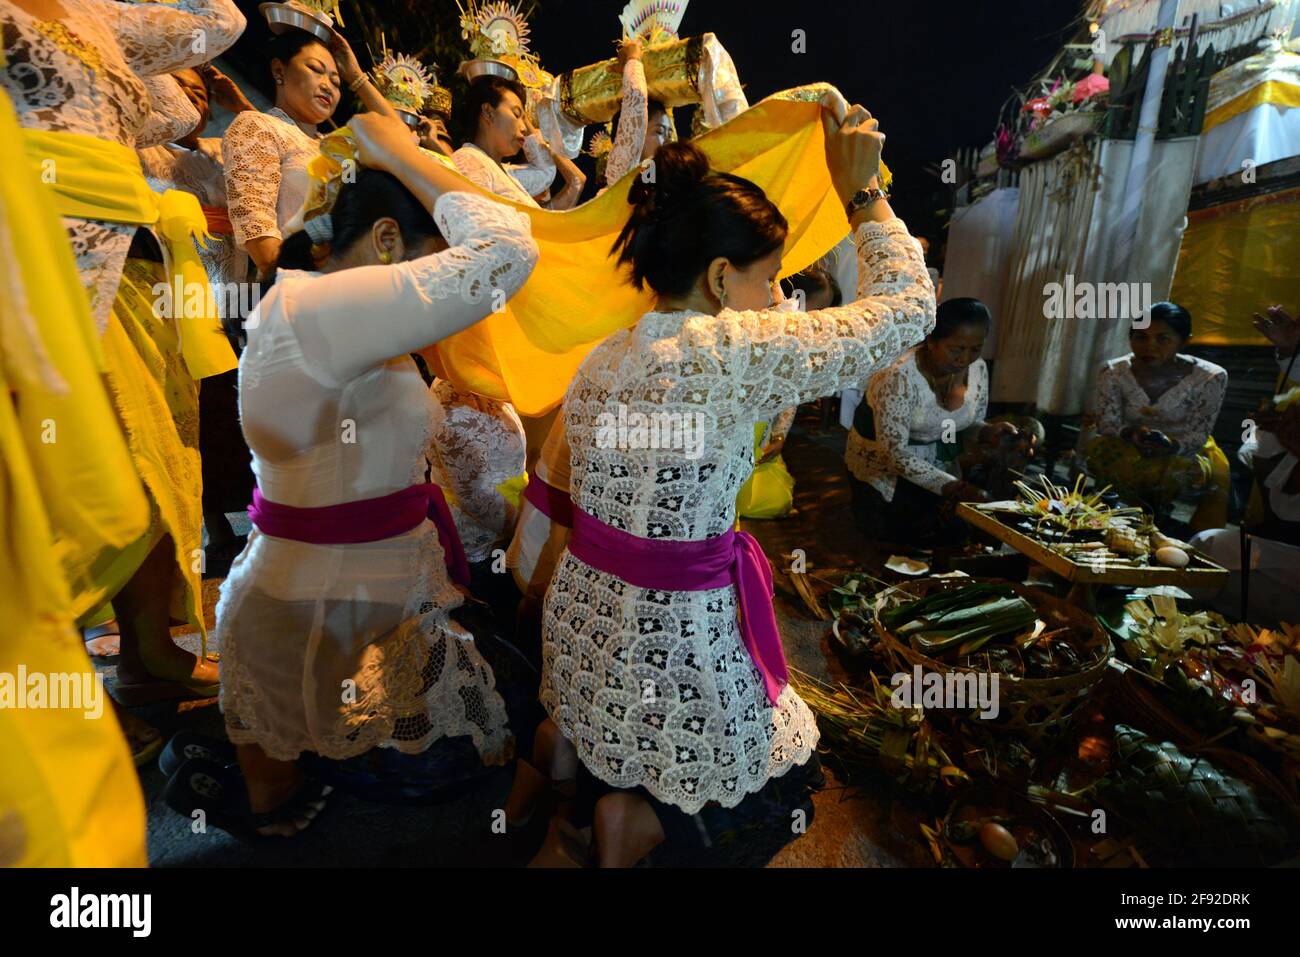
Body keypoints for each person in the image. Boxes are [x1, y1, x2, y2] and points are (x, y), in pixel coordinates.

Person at [507, 107, 936, 867]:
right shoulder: (732, 350)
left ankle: (568, 803)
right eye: (768, 277)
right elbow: (909, 308)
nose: (775, 298)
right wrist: (864, 191)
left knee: (620, 722)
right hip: (672, 621)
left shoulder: (606, 355)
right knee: (790, 778)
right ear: (717, 276)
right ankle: (632, 827)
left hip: (586, 607)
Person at [196, 113, 538, 836]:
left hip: (347, 598)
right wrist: (403, 154)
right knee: (324, 809)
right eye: (432, 259)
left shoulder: (323, 308)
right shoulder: (318, 306)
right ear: (387, 241)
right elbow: (509, 249)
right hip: (313, 613)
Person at [3, 0, 246, 763]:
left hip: (135, 269)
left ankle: (148, 659)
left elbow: (217, 29)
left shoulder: (96, 14)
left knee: (148, 475)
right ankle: (55, 701)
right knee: (56, 494)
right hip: (35, 268)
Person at [224, 27, 395, 276]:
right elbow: (258, 230)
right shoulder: (258, 126)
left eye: (337, 83)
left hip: (359, 278)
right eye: (315, 70)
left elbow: (399, 142)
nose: (328, 86)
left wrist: (357, 77)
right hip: (301, 286)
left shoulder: (339, 146)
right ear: (279, 71)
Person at [845, 297, 1015, 546]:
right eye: (956, 349)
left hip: (939, 468)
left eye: (975, 349)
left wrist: (987, 432)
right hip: (885, 475)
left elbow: (961, 425)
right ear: (932, 341)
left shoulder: (977, 370)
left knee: (960, 532)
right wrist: (956, 489)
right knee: (909, 539)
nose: (964, 359)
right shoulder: (899, 376)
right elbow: (896, 456)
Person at [1083, 302, 1230, 532]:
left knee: (1178, 472)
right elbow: (1107, 423)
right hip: (1125, 441)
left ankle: (1162, 532)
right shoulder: (1113, 371)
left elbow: (1199, 433)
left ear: (1184, 341)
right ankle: (1114, 525)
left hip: (1183, 448)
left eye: (1163, 339)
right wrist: (1131, 433)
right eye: (1141, 337)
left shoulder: (1210, 377)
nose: (1149, 346)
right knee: (1110, 457)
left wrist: (1170, 445)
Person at [601, 37, 673, 190]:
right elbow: (637, 101)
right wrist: (633, 59)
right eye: (659, 131)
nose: (669, 141)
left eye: (670, 134)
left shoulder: (660, 179)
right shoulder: (623, 173)